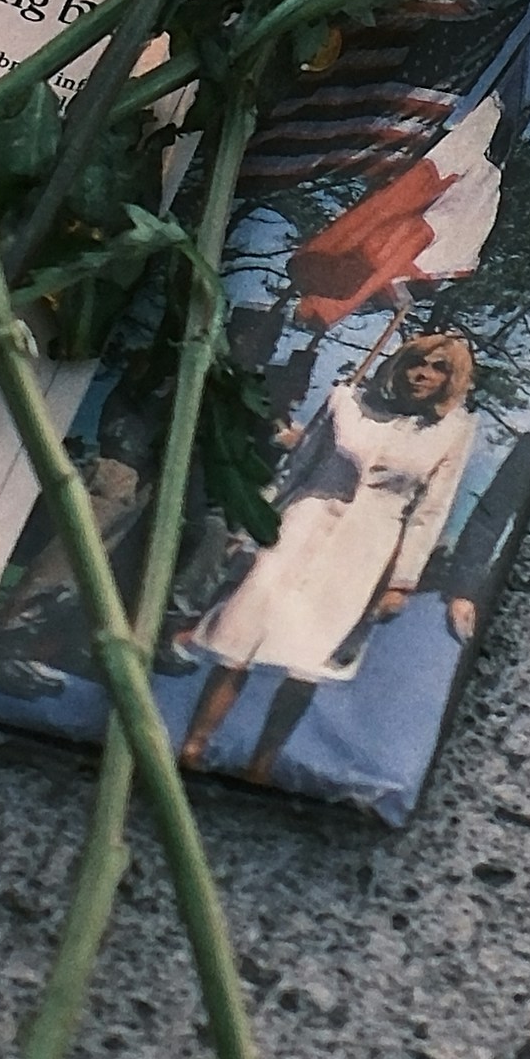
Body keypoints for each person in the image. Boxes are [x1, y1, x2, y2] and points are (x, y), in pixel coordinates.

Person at [177, 325, 481, 770]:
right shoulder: (347, 403)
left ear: (450, 381)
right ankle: (195, 744)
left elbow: (431, 512)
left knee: (308, 662)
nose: (422, 374)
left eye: (438, 368)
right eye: (416, 362)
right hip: (301, 524)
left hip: (366, 550)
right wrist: (251, 527)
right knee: (240, 633)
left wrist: (401, 581)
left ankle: (262, 763)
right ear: (400, 364)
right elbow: (295, 470)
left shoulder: (453, 431)